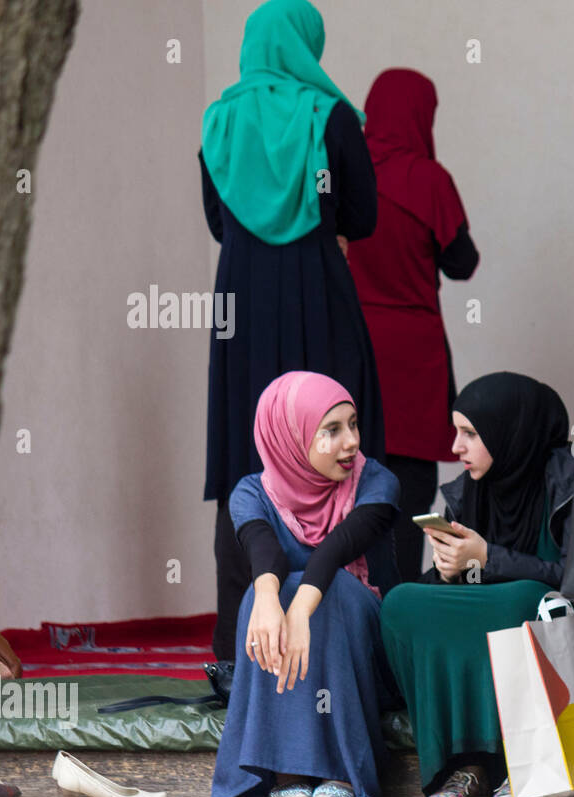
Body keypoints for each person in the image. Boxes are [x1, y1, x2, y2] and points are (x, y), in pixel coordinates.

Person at [199, 0, 388, 663]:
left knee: (244, 458)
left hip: (241, 305)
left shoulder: (218, 119)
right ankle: (351, 636)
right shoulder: (329, 114)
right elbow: (362, 215)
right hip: (318, 292)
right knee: (337, 444)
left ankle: (234, 646)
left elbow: (219, 222)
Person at [378, 372, 574, 797]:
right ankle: (465, 767)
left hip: (571, 633)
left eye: (469, 433)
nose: (456, 448)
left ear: (510, 431)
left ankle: (500, 762)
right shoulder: (470, 490)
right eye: (456, 432)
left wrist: (487, 560)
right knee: (401, 603)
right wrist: (451, 571)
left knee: (523, 598)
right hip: (493, 613)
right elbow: (466, 589)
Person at [211, 371, 400, 797]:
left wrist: (297, 611)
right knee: (261, 597)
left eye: (353, 425)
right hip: (291, 636)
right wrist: (266, 601)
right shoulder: (252, 492)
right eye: (332, 431)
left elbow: (334, 551)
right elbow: (265, 552)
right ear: (289, 437)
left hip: (363, 647)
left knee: (327, 593)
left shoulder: (376, 481)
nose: (351, 441)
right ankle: (287, 770)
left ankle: (341, 768)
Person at [347, 69, 479, 581]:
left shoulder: (343, 174)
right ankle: (398, 604)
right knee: (408, 489)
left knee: (351, 481)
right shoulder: (429, 180)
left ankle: (349, 613)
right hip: (416, 360)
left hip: (353, 351)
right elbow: (462, 262)